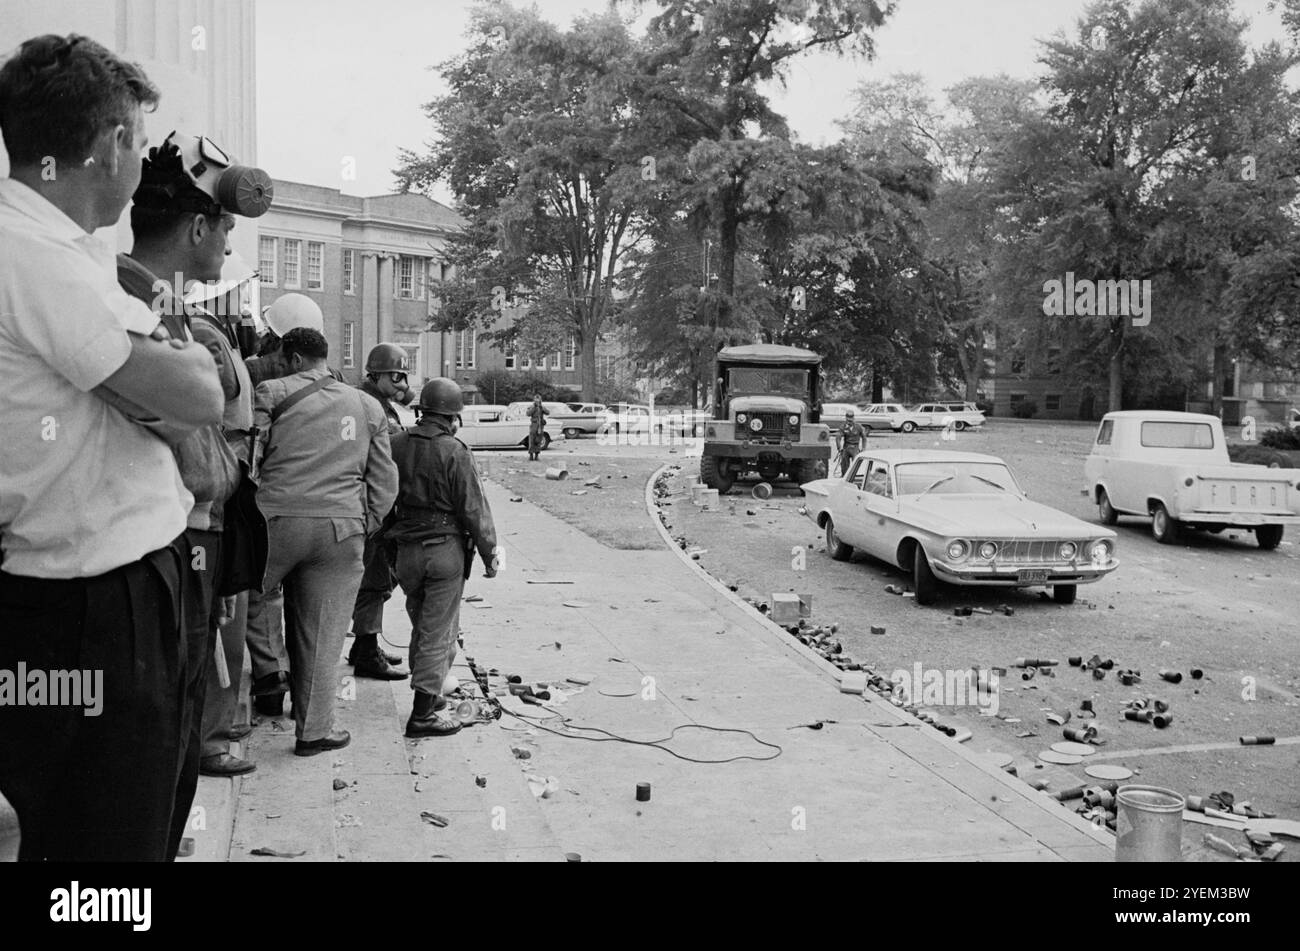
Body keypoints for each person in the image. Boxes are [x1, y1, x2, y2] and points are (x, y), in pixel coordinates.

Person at [0, 34, 224, 861]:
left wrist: (160, 373)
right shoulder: (36, 261)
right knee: (113, 842)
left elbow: (161, 389)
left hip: (83, 598)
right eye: (135, 137)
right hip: (98, 608)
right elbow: (198, 392)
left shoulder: (64, 252)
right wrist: (183, 362)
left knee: (89, 834)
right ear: (110, 147)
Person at [116, 131, 270, 853]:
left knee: (176, 736)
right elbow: (206, 469)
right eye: (228, 224)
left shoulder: (167, 306)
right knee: (155, 743)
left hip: (185, 543)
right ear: (199, 226)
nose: (230, 239)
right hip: (160, 548)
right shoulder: (131, 302)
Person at [251, 328, 398, 755]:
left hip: (273, 521)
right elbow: (384, 479)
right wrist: (364, 522)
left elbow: (249, 457)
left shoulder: (270, 392)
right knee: (324, 631)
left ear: (294, 359)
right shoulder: (366, 404)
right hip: (340, 527)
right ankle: (314, 731)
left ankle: (270, 673)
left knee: (253, 598)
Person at [388, 379, 498, 737]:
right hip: (443, 552)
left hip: (405, 552)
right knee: (439, 630)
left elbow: (380, 497)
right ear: (453, 417)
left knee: (421, 621)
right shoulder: (455, 451)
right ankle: (422, 715)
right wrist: (490, 553)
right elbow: (473, 509)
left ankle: (430, 695)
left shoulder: (396, 445)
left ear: (422, 411)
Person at [346, 343, 413, 680]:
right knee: (375, 578)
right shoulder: (368, 403)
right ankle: (367, 651)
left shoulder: (379, 402)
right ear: (378, 373)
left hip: (377, 502)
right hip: (372, 504)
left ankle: (363, 643)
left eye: (404, 375)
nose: (403, 382)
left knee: (382, 575)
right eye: (397, 375)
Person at [836, 408, 868, 476]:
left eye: (851, 420)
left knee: (856, 463)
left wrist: (863, 448)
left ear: (853, 418)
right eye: (848, 420)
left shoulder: (858, 426)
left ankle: (854, 477)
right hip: (846, 447)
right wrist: (839, 447)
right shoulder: (843, 427)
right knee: (844, 464)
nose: (849, 422)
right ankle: (844, 476)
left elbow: (864, 438)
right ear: (846, 418)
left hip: (855, 447)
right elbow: (838, 437)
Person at [526, 393, 548, 461]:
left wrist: (542, 408)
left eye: (538, 400)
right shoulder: (531, 406)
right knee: (532, 440)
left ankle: (537, 455)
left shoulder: (542, 407)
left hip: (540, 426)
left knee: (538, 440)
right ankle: (531, 455)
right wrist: (534, 407)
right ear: (534, 400)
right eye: (536, 400)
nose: (537, 401)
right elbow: (528, 413)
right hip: (534, 425)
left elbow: (548, 412)